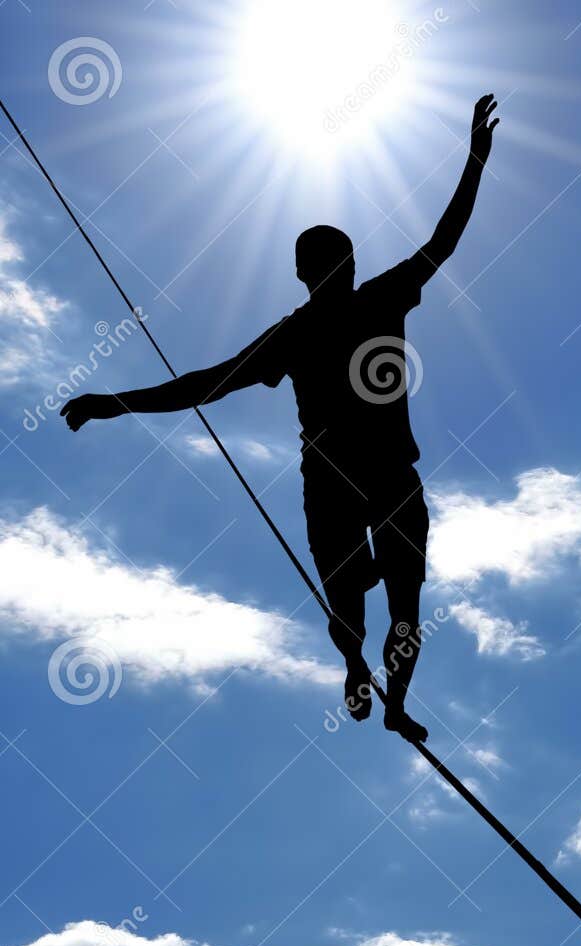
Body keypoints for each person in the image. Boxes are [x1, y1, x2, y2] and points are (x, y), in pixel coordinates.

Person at [62, 95, 500, 744]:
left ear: (320, 270)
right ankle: (358, 665)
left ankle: (392, 699)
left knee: (401, 608)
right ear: (316, 272)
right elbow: (203, 385)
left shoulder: (358, 307)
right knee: (363, 609)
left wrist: (474, 162)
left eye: (335, 263)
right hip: (341, 482)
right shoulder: (306, 330)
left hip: (379, 477)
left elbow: (441, 243)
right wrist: (112, 403)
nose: (335, 272)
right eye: (330, 265)